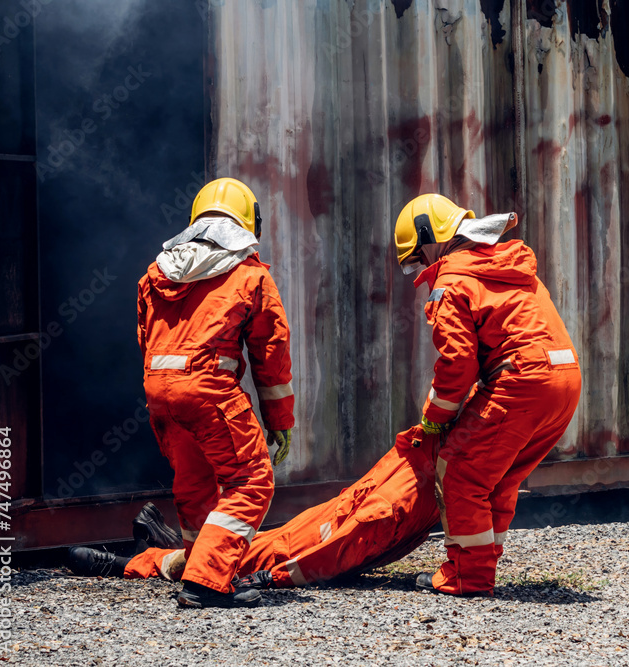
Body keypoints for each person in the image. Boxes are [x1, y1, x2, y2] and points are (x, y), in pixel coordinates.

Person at [393, 193, 582, 597]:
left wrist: (435, 417)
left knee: (460, 471)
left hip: (524, 381)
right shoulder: (507, 262)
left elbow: (457, 363)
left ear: (430, 237)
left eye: (418, 256)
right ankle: (481, 567)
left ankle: (469, 577)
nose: (422, 266)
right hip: (564, 379)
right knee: (499, 479)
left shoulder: (453, 280)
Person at [136, 177, 294, 608]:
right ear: (247, 224)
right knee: (252, 482)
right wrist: (279, 421)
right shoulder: (249, 275)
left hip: (159, 392)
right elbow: (271, 355)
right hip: (207, 392)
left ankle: (197, 564)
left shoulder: (156, 273)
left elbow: (146, 338)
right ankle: (207, 581)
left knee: (193, 483)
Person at [67, 426, 440, 587]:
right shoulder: (417, 483)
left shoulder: (431, 458)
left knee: (267, 545)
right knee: (256, 556)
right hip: (346, 516)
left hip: (347, 512)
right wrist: (275, 578)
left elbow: (354, 536)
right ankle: (142, 561)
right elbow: (340, 548)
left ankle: (163, 549)